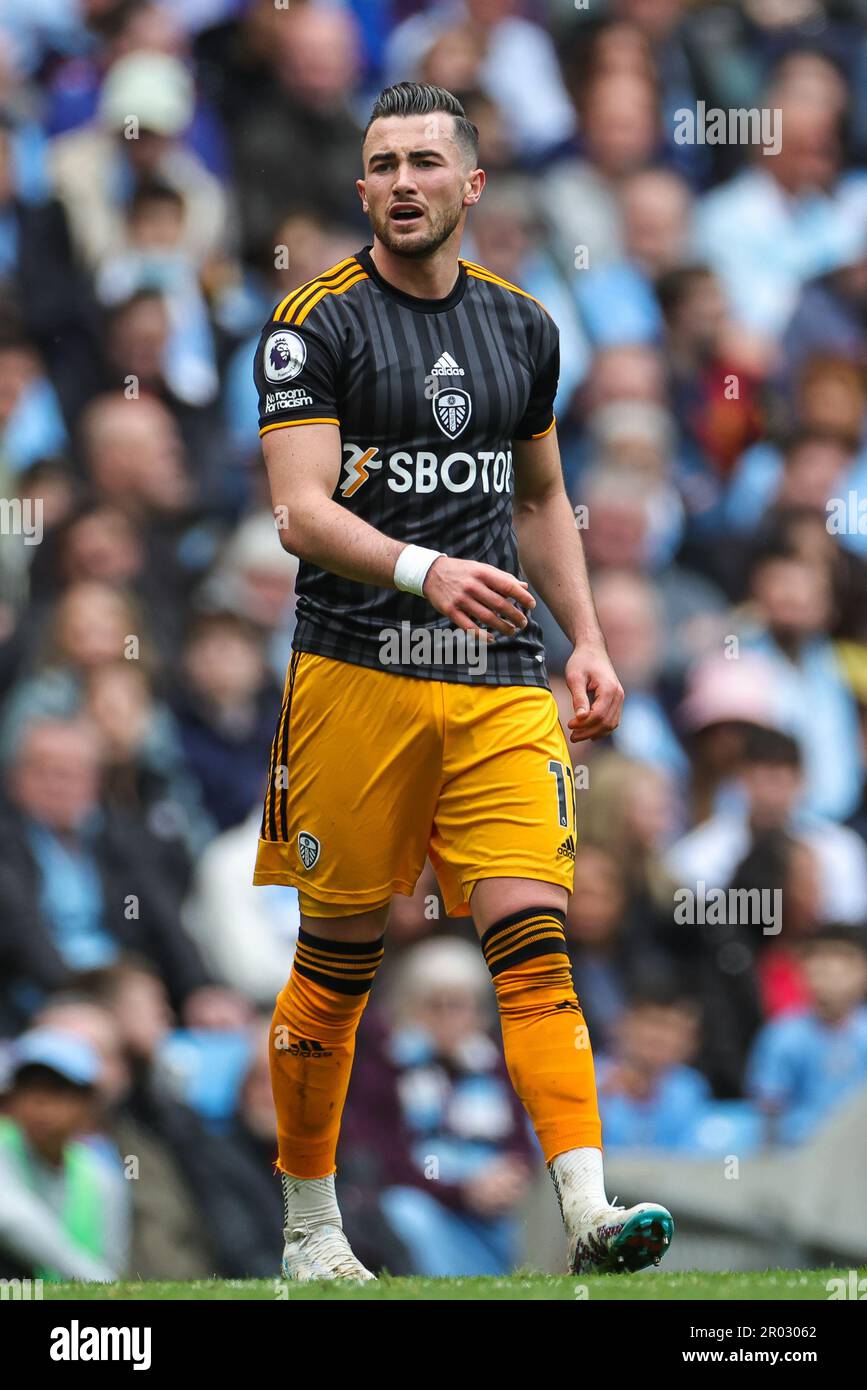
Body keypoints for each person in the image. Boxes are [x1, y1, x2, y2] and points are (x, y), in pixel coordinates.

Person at [251, 81, 673, 1281]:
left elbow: (541, 499)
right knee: (336, 969)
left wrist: (586, 638)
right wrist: (426, 567)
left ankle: (588, 1210)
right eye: (380, 164)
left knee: (533, 943)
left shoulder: (524, 327)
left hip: (496, 677)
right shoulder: (311, 325)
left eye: (424, 163)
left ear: (471, 185)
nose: (399, 183)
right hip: (352, 674)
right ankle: (311, 1227)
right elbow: (297, 511)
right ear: (361, 188)